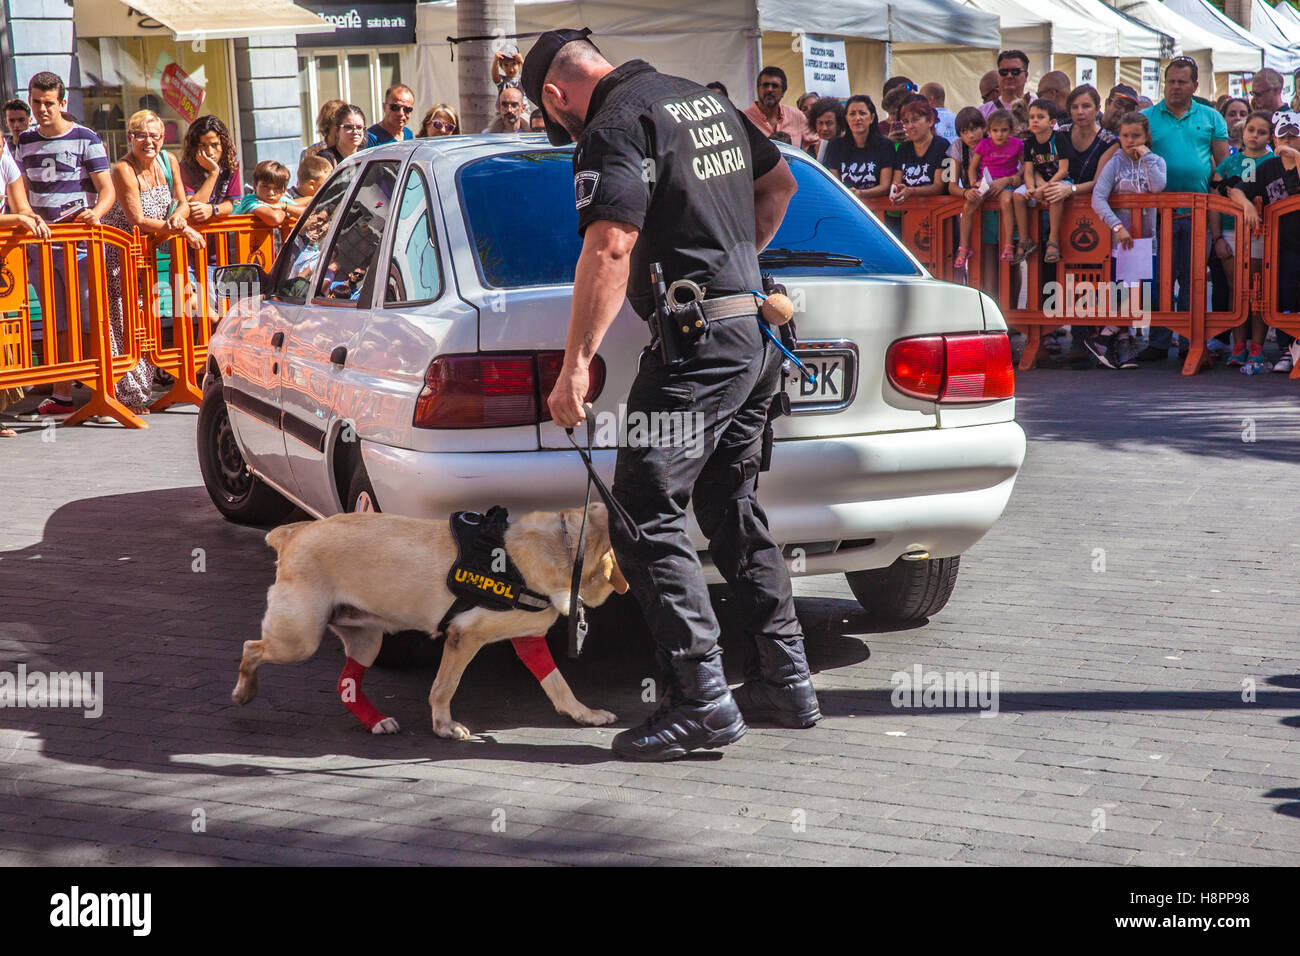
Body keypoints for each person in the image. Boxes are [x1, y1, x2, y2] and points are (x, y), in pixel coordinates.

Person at [524, 27, 818, 760]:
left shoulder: (614, 124)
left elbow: (612, 243)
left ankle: (702, 701)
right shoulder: (703, 102)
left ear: (558, 96)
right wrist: (731, 268)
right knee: (728, 501)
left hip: (698, 350)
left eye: (550, 116)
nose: (560, 129)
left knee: (645, 510)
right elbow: (779, 184)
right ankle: (785, 679)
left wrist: (575, 365)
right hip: (754, 332)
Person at [17, 71, 113, 416]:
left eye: (48, 103)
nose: (42, 109)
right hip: (42, 247)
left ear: (62, 103)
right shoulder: (24, 141)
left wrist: (96, 213)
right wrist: (28, 217)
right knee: (56, 320)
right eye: (37, 102)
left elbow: (107, 188)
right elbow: (21, 192)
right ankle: (62, 393)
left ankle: (101, 391)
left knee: (90, 318)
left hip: (81, 246)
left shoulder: (86, 137)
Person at [103, 109, 204, 413]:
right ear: (130, 138)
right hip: (120, 254)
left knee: (146, 319)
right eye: (141, 135)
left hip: (149, 254)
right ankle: (127, 395)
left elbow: (182, 202)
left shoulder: (168, 161)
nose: (149, 141)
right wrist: (183, 229)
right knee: (123, 321)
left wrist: (179, 217)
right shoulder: (122, 169)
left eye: (155, 135)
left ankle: (144, 390)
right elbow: (137, 219)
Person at [1139, 59, 1229, 362]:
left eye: (1182, 82)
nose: (1175, 87)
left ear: (1195, 85)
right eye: (1171, 82)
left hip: (1197, 211)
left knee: (1192, 278)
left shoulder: (1212, 117)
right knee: (1160, 277)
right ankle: (1159, 341)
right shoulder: (1145, 118)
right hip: (1156, 214)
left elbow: (1222, 166)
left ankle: (1191, 338)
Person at [1087, 112, 1167, 370]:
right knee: (1127, 292)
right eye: (1125, 136)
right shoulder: (1115, 162)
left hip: (1147, 240)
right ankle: (1115, 343)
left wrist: (1146, 156)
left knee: (1142, 293)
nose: (1130, 141)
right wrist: (1117, 226)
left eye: (1136, 136)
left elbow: (1158, 186)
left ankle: (1106, 337)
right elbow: (1098, 197)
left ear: (1146, 137)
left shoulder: (1155, 160)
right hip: (1123, 242)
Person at [1226, 110, 1300, 374]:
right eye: (1284, 135)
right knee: (1283, 295)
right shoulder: (1267, 167)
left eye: (1294, 135)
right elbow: (1236, 188)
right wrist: (1246, 204)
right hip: (1282, 246)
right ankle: (1285, 349)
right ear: (1275, 140)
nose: (1289, 140)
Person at [1213, 110, 1273, 369]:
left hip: (1262, 233)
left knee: (1259, 290)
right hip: (1230, 231)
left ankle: (1257, 346)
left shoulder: (1275, 161)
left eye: (1262, 132)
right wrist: (1216, 237)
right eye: (1251, 130)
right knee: (1236, 289)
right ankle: (1238, 346)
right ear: (1243, 131)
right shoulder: (1228, 163)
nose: (1255, 136)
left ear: (1269, 136)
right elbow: (1214, 202)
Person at [1015, 98, 1073, 264]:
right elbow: (1028, 170)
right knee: (1017, 197)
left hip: (1061, 181)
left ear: (1052, 122)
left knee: (1055, 194)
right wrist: (1031, 188)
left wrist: (1044, 188)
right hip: (1038, 182)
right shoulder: (1029, 143)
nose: (1034, 120)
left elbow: (1063, 170)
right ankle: (1024, 239)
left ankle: (1053, 240)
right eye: (1031, 117)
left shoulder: (1059, 139)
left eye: (1040, 117)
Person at [966, 109, 1024, 262]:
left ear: (1011, 130)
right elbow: (972, 167)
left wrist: (1016, 176)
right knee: (970, 205)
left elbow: (1026, 165)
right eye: (995, 130)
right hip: (987, 183)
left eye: (1004, 130)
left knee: (1006, 202)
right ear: (988, 130)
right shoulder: (984, 145)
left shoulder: (1017, 144)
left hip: (1006, 183)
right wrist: (973, 183)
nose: (999, 134)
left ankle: (1008, 243)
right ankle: (963, 246)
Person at [823, 94, 894, 200]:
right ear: (846, 118)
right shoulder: (835, 146)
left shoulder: (885, 145)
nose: (857, 118)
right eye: (852, 114)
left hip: (876, 210)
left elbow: (885, 187)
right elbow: (834, 184)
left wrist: (861, 193)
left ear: (872, 118)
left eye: (862, 113)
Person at [179, 115, 241, 223]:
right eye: (203, 145)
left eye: (215, 145)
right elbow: (192, 208)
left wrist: (213, 209)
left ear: (223, 145)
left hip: (218, 231)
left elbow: (230, 204)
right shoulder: (184, 167)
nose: (210, 152)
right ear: (194, 147)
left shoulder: (231, 162)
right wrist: (214, 172)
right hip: (192, 231)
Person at [891, 99, 950, 211]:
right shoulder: (903, 148)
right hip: (909, 213)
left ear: (930, 121)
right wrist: (898, 189)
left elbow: (939, 187)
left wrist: (911, 191)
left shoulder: (942, 146)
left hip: (938, 213)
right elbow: (896, 181)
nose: (910, 126)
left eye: (915, 120)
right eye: (906, 122)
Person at [743, 65, 815, 151]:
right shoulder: (744, 119)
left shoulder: (796, 116)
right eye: (765, 85)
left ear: (783, 91)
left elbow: (816, 144)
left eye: (775, 86)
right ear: (758, 89)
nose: (770, 89)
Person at [225, 160, 295, 227]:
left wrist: (285, 206)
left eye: (277, 188)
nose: (271, 193)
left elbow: (304, 215)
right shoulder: (250, 201)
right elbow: (275, 219)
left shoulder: (282, 201)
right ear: (254, 186)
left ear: (284, 190)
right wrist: (285, 210)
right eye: (265, 187)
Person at [982, 50, 1030, 120]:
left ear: (1026, 76)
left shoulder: (1041, 108)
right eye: (1004, 72)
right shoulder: (983, 113)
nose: (1009, 76)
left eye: (1015, 71)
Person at [301, 98, 345, 163]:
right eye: (338, 124)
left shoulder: (354, 151)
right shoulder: (310, 154)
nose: (344, 129)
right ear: (327, 124)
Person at [806, 96, 845, 162]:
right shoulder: (811, 150)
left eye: (829, 123)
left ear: (838, 124)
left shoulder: (848, 150)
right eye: (820, 123)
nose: (824, 128)